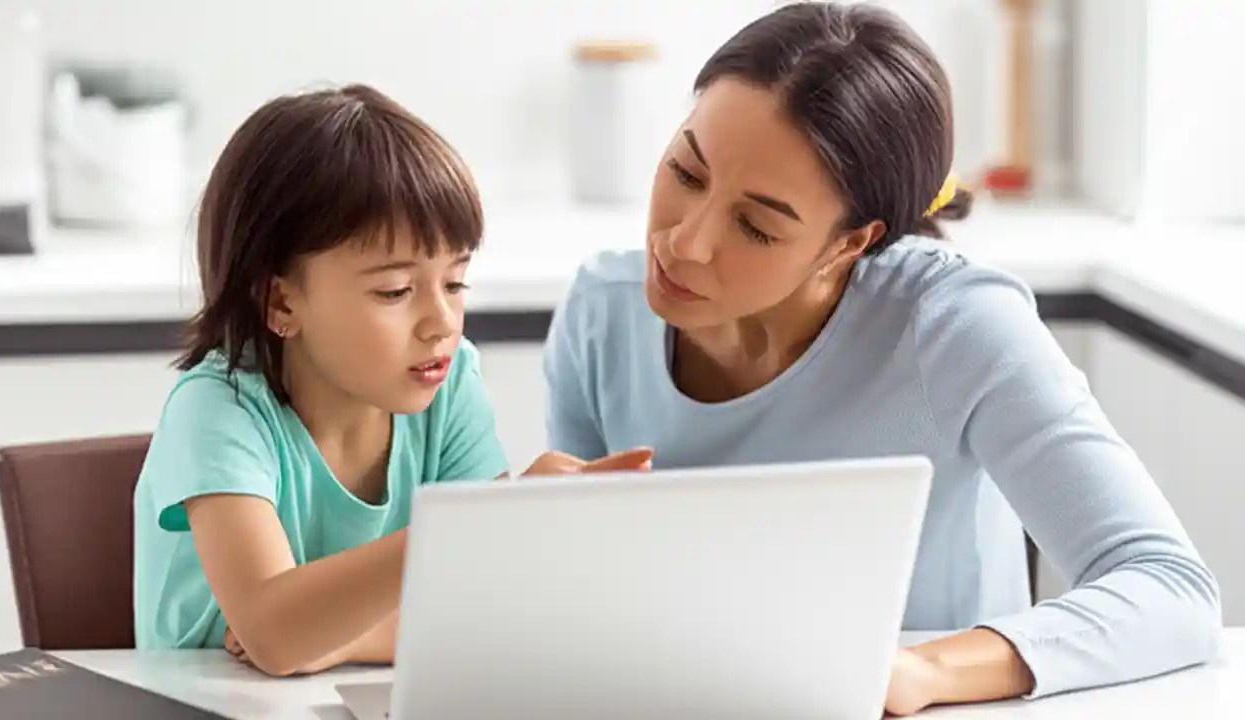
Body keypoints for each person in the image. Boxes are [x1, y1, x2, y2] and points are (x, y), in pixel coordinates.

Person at [542, 2, 1221, 715]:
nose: (686, 242)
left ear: (849, 243)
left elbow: (1168, 586)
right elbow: (591, 602)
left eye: (755, 225)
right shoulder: (602, 311)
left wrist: (921, 671)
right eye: (685, 170)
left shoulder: (956, 324)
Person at [133, 84, 651, 676]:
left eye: (455, 283)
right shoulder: (216, 408)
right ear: (280, 302)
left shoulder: (448, 385)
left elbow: (490, 614)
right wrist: (485, 523)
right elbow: (276, 634)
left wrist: (349, 640)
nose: (442, 323)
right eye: (395, 291)